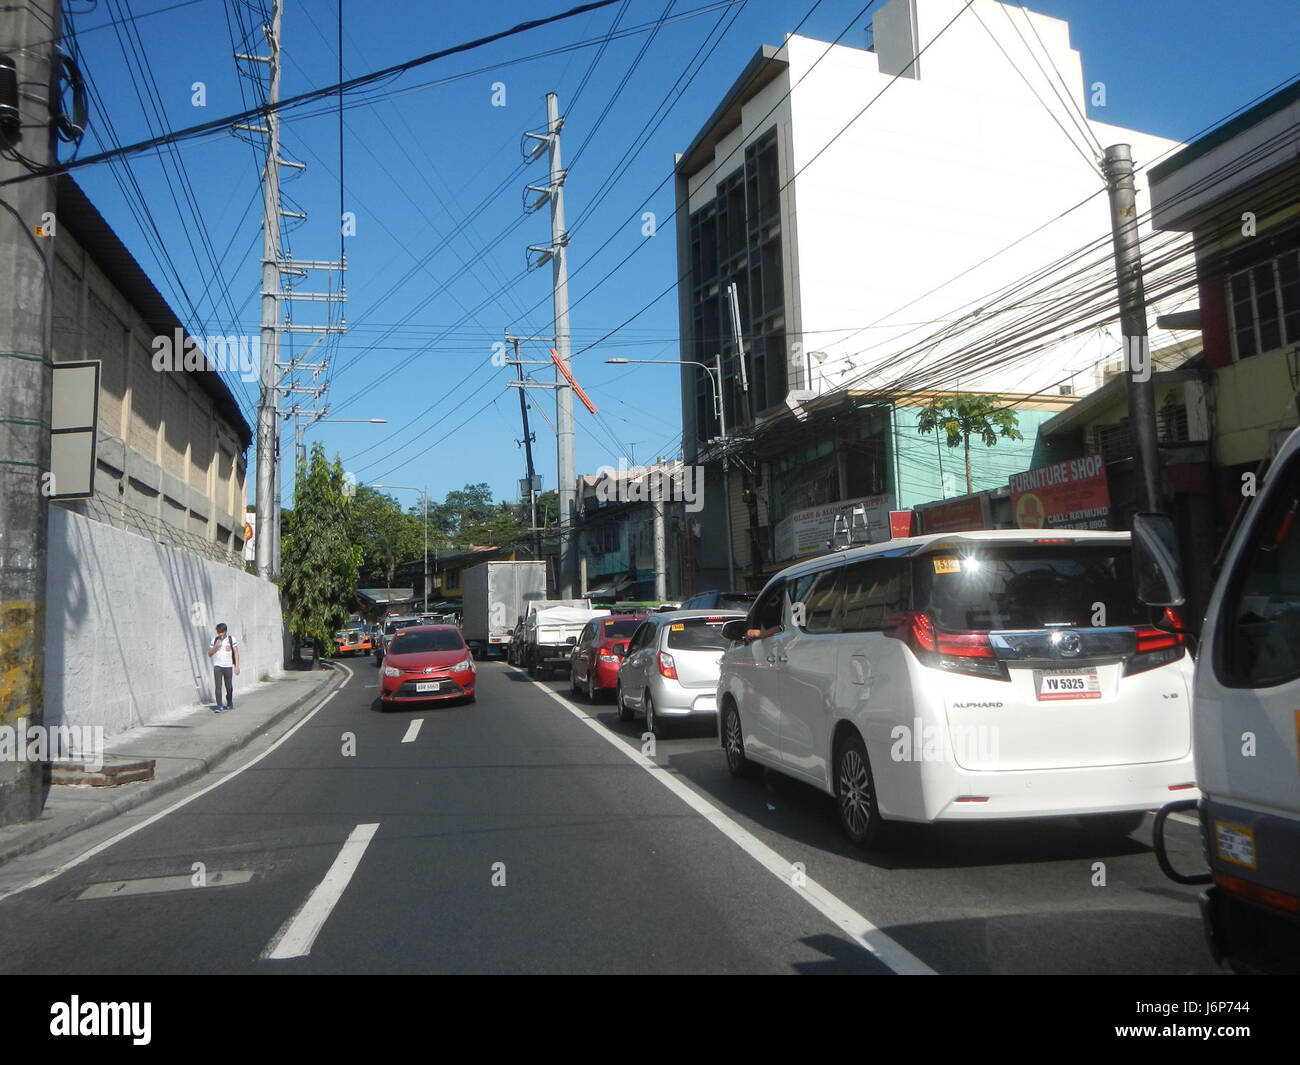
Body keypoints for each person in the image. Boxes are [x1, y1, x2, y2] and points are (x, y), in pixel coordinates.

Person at [207, 622, 239, 713]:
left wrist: (236, 666)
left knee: (229, 686)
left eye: (221, 632)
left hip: (228, 666)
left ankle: (229, 701)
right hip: (218, 666)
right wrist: (215, 646)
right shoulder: (214, 640)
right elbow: (209, 654)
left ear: (225, 631)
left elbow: (236, 653)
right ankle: (219, 705)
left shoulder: (231, 639)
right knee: (218, 686)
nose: (220, 634)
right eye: (218, 632)